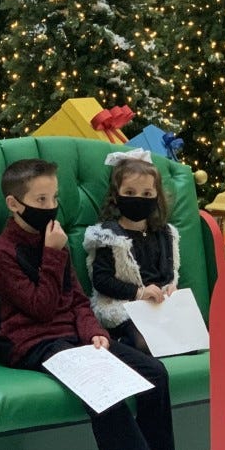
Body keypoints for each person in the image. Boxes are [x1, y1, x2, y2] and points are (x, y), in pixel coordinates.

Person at [0, 157, 206, 450]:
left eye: (54, 197)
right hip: (32, 342)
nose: (51, 207)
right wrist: (53, 255)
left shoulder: (54, 243)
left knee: (154, 371)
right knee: (103, 385)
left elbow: (75, 301)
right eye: (41, 200)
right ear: (14, 204)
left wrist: (95, 333)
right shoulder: (0, 255)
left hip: (73, 337)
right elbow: (39, 308)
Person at [83, 149, 181, 356]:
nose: (138, 199)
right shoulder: (107, 235)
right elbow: (101, 280)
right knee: (144, 343)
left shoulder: (165, 233)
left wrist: (170, 288)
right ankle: (117, 345)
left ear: (157, 196)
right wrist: (139, 293)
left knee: (188, 341)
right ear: (116, 195)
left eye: (146, 194)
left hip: (159, 306)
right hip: (123, 307)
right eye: (129, 193)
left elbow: (170, 272)